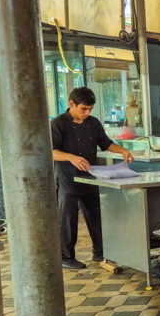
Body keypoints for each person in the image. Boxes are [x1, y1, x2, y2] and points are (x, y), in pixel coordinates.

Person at [51, 87, 134, 269]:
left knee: (95, 215)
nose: (87, 113)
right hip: (67, 178)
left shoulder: (93, 123)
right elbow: (51, 152)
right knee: (67, 219)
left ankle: (101, 252)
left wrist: (121, 150)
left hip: (91, 175)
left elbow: (105, 143)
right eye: (83, 109)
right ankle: (66, 257)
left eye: (90, 109)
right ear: (71, 104)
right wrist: (71, 157)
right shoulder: (58, 124)